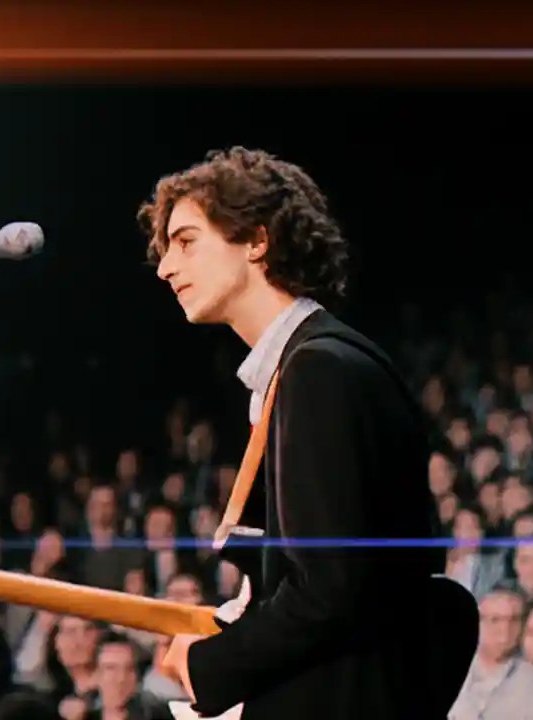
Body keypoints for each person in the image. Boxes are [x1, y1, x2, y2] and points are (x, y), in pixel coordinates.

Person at [138, 146, 479, 719]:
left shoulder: (317, 370)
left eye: (186, 241)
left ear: (257, 240)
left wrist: (210, 665)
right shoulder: (314, 364)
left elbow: (329, 589)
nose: (166, 267)